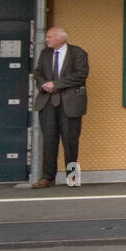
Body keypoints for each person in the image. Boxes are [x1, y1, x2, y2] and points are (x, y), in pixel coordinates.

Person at [31, 26, 89, 188]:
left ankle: (72, 176)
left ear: (61, 39)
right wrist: (45, 85)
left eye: (50, 36)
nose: (46, 39)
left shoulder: (78, 53)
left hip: (70, 103)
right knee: (49, 140)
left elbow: (80, 75)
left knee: (70, 141)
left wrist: (56, 84)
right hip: (47, 102)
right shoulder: (45, 54)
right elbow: (38, 73)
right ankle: (48, 177)